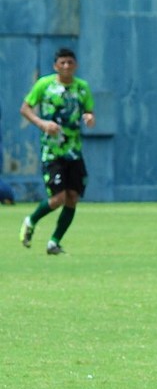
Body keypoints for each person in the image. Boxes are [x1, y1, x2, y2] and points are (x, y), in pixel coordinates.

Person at [19, 47, 95, 254]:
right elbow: (25, 108)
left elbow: (88, 111)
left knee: (72, 197)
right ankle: (31, 220)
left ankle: (54, 242)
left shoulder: (82, 88)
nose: (67, 66)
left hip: (74, 151)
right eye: (62, 63)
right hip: (52, 152)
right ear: (56, 66)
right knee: (58, 198)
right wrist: (42, 123)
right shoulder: (45, 85)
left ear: (76, 65)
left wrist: (89, 118)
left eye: (70, 62)